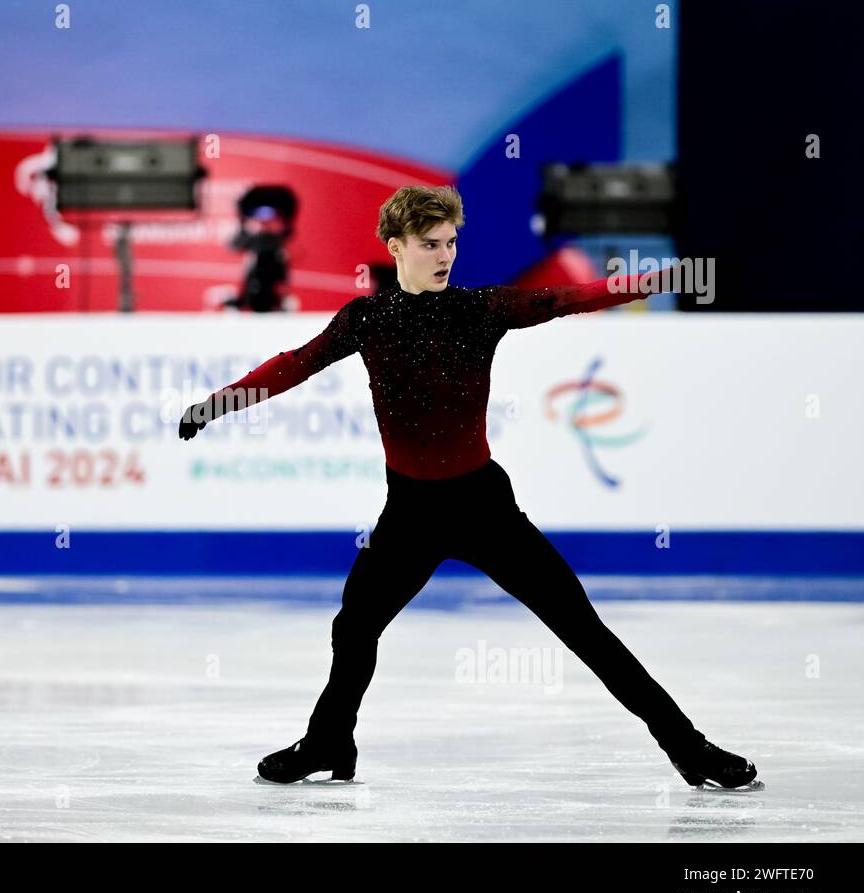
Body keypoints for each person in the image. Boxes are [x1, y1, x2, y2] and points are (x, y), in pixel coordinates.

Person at [178, 185, 759, 790]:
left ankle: (689, 748)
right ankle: (328, 741)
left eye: (451, 243)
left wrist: (660, 279)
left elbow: (573, 297)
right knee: (353, 628)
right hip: (410, 514)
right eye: (430, 244)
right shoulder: (365, 320)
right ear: (395, 246)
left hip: (484, 509)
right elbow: (294, 364)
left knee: (583, 629)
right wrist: (217, 405)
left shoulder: (480, 308)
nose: (445, 255)